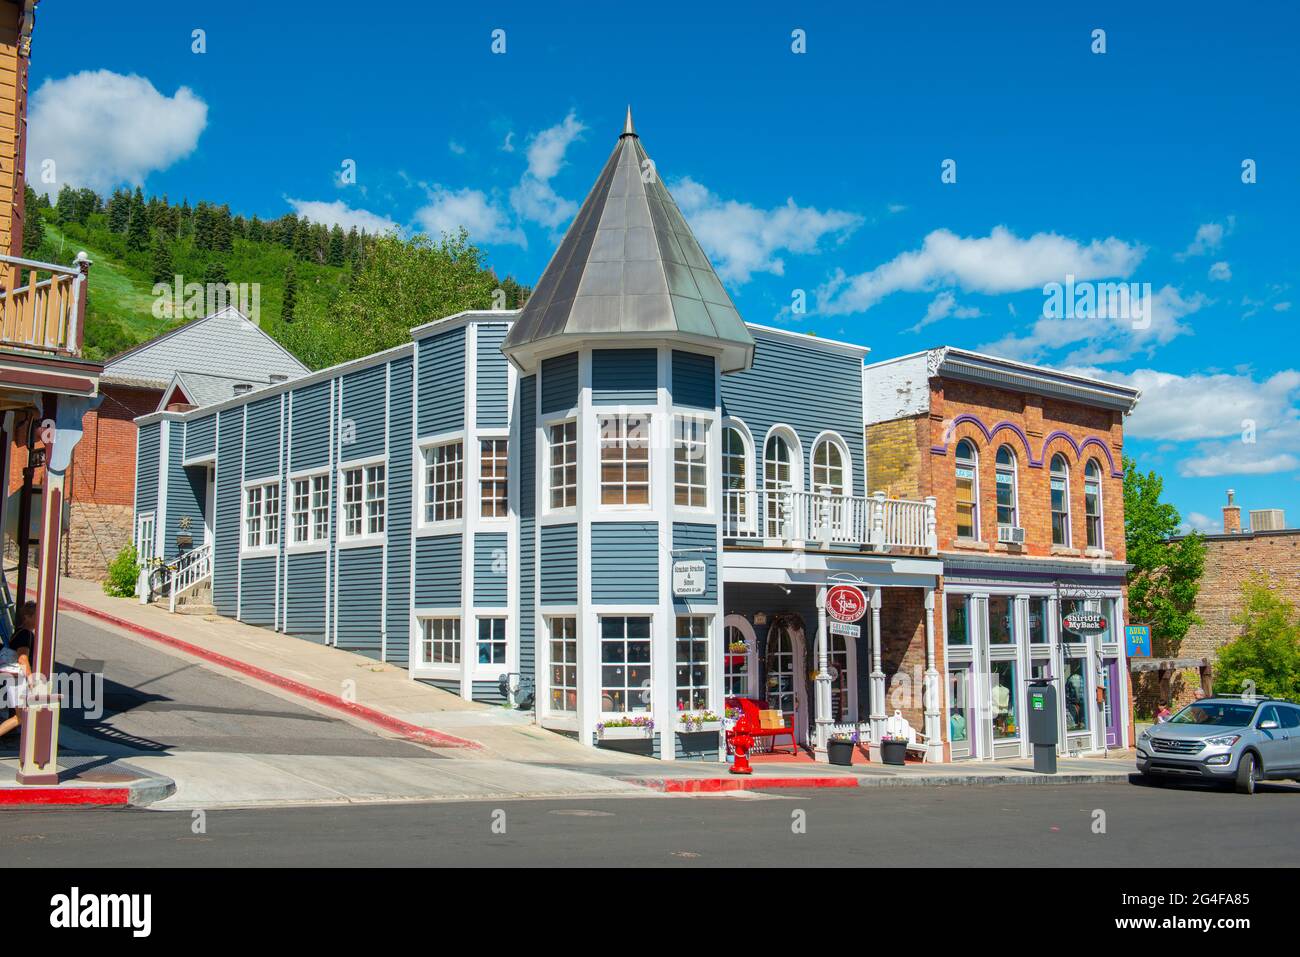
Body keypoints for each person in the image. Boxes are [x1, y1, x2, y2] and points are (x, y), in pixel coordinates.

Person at [0, 602, 36, 740]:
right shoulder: (26, 634)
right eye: (36, 616)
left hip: (12, 677)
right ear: (27, 617)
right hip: (17, 679)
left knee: (20, 716)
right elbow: (22, 658)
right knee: (20, 716)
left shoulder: (19, 632)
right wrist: (31, 679)